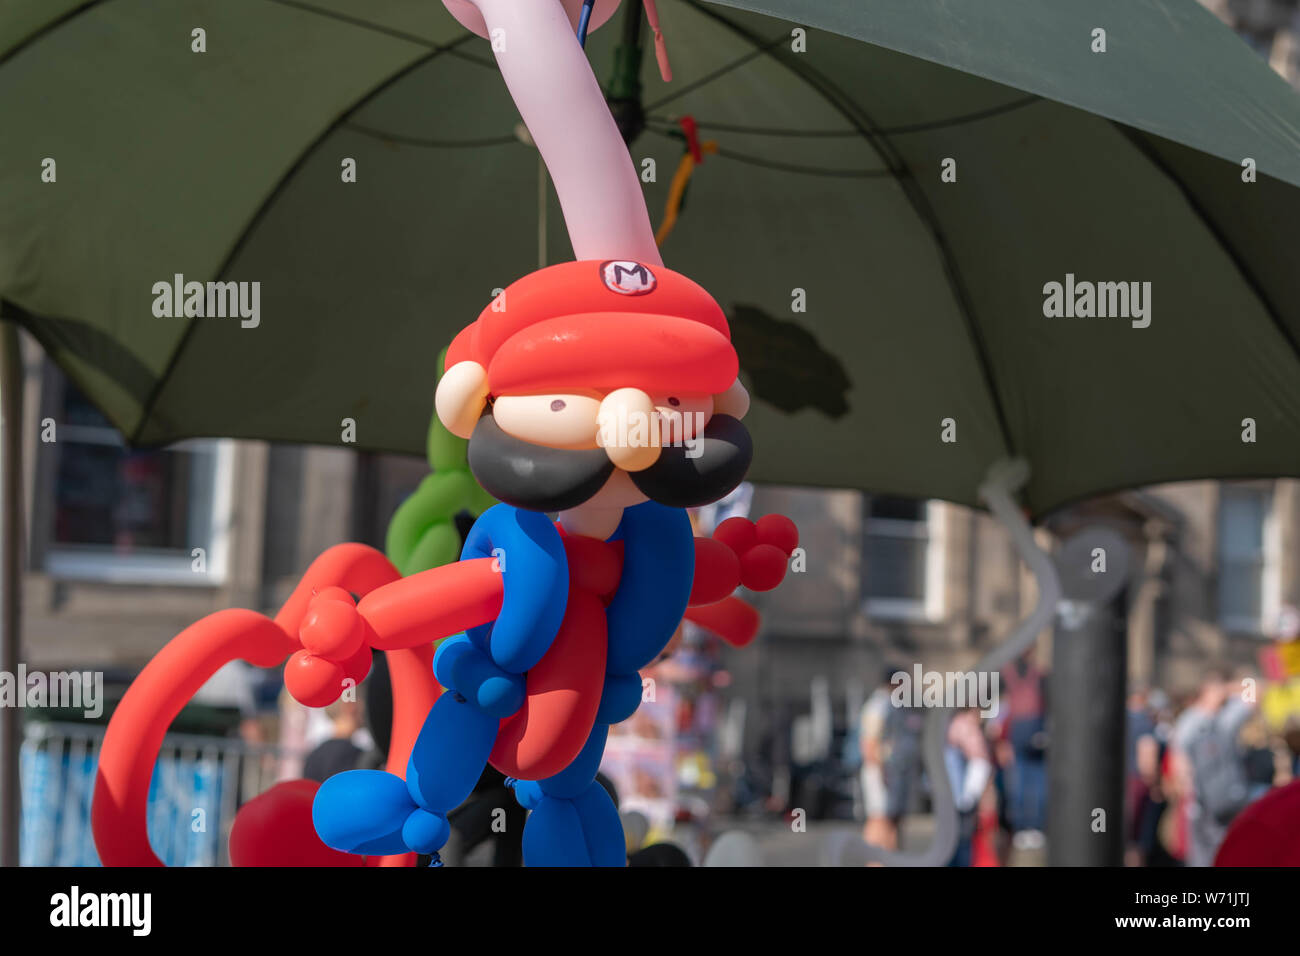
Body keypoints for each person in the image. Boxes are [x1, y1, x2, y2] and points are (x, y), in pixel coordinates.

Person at [1170, 667, 1256, 866]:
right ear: (1206, 689)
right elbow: (1179, 761)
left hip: (1230, 799)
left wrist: (1228, 688)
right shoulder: (1190, 721)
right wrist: (1185, 793)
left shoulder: (1225, 719)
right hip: (1201, 804)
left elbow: (1253, 690)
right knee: (1202, 857)